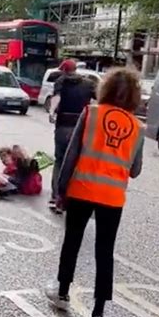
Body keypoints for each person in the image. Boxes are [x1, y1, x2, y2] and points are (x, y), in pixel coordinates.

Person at [46, 67, 144, 317]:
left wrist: (60, 190)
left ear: (106, 89)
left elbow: (71, 155)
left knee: (73, 241)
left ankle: (63, 293)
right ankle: (98, 314)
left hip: (82, 189)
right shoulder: (137, 128)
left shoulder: (91, 113)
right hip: (112, 197)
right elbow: (135, 169)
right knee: (104, 252)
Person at [49, 59, 95, 214]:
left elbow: (57, 98)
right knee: (76, 163)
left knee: (59, 161)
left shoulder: (61, 81)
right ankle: (71, 197)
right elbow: (98, 100)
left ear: (64, 70)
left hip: (63, 126)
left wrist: (51, 111)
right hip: (81, 128)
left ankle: (56, 197)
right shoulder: (88, 84)